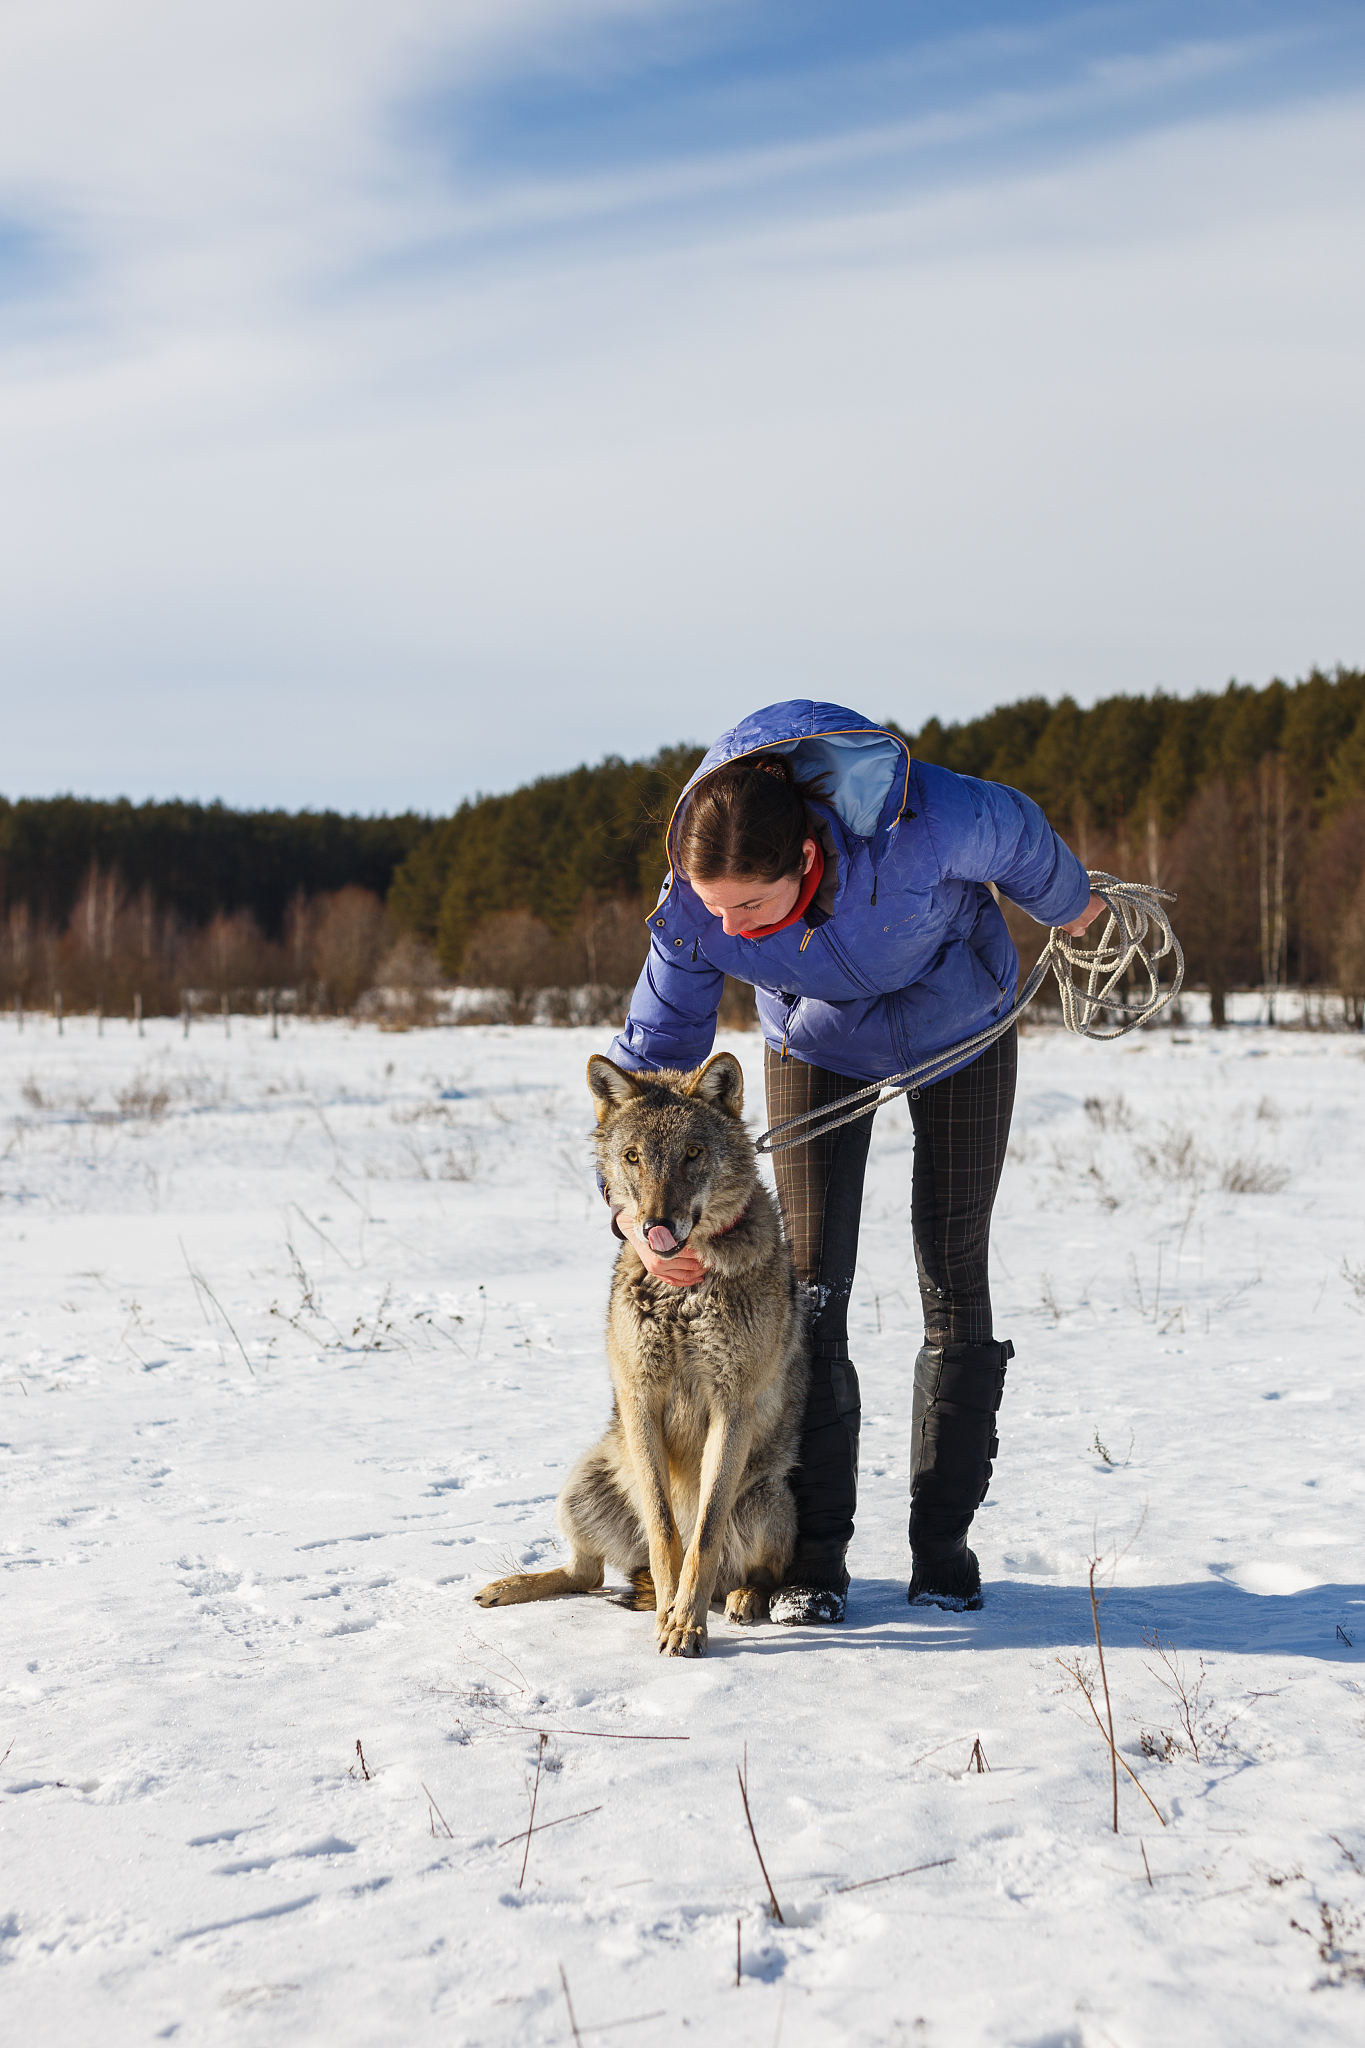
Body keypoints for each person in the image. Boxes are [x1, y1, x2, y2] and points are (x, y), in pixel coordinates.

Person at [602, 701, 1103, 1623]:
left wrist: (1072, 906)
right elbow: (644, 1077)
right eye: (719, 912)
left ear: (802, 860)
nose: (735, 930)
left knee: (951, 1264)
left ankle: (941, 1547)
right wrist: (631, 1215)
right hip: (815, 1045)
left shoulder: (918, 823)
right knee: (807, 1285)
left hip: (962, 1027)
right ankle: (813, 1561)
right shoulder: (692, 908)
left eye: (751, 906)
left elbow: (1020, 836)